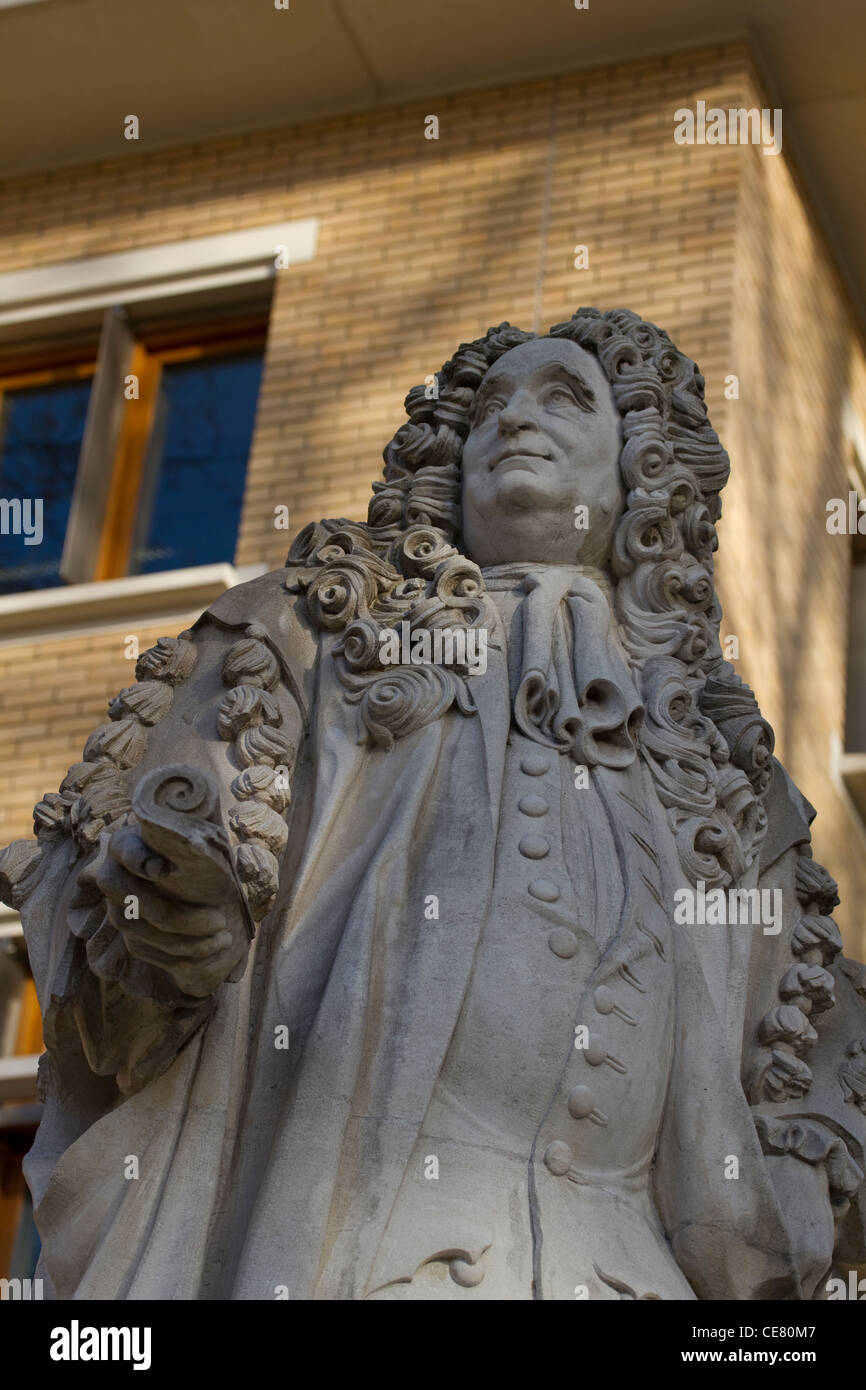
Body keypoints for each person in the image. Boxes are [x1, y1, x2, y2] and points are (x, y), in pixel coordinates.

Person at [2, 307, 865, 1300]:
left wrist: (794, 1191)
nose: (512, 420)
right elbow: (143, 912)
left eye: (562, 397)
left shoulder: (721, 776)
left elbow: (807, 1062)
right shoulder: (312, 643)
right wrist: (171, 925)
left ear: (639, 468)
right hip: (370, 1252)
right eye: (489, 404)